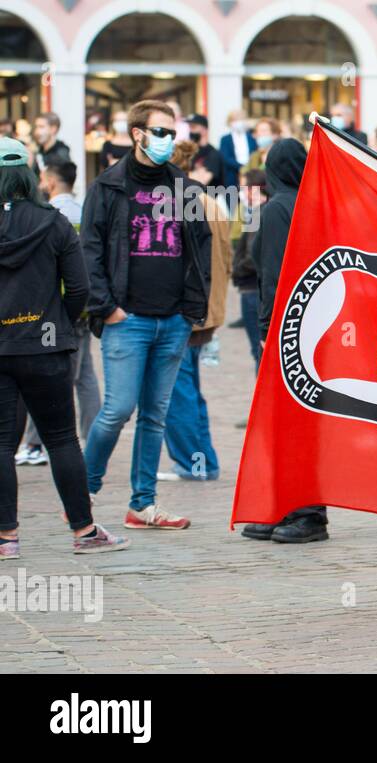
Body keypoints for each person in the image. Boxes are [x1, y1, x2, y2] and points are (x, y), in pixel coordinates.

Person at [79, 100, 212, 530]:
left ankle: (143, 504)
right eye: (160, 133)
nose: (168, 141)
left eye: (172, 133)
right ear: (137, 134)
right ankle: (83, 489)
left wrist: (192, 311)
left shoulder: (185, 187)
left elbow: (202, 249)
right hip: (126, 320)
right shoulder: (107, 187)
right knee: (118, 409)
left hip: (172, 320)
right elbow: (90, 251)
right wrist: (107, 307)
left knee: (155, 416)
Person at [0, 137, 129, 557]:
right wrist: (61, 322)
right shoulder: (53, 222)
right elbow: (79, 289)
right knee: (61, 440)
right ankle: (84, 530)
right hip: (47, 344)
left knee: (2, 443)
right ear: (31, 175)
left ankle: (6, 539)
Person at [241, 138, 332, 543]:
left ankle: (308, 513)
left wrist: (266, 329)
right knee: (295, 423)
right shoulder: (316, 203)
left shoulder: (278, 208)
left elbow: (275, 276)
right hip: (314, 324)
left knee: (289, 423)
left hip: (287, 328)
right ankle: (286, 507)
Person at [13, 159, 98, 467]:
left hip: (54, 312)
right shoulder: (83, 213)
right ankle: (93, 438)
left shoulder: (49, 217)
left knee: (53, 381)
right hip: (82, 310)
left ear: (48, 180)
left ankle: (36, 443)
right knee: (84, 377)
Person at [159, 140, 232, 483]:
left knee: (179, 389)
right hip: (206, 310)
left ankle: (193, 462)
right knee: (188, 387)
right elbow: (226, 261)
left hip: (188, 311)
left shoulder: (182, 202)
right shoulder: (211, 202)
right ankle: (202, 460)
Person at [229, 168, 266, 371]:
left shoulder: (259, 214)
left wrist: (237, 270)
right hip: (253, 287)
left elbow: (252, 255)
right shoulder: (258, 213)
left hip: (251, 288)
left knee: (258, 352)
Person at [184, 115, 225, 194]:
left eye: (193, 127)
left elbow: (201, 181)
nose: (191, 131)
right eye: (189, 127)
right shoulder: (189, 152)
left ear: (204, 130)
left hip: (207, 201)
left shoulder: (213, 153)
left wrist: (186, 175)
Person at [218, 110, 256, 188]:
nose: (238, 122)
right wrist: (242, 167)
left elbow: (255, 153)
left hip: (252, 174)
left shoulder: (252, 137)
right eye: (235, 120)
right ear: (230, 122)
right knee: (232, 199)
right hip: (231, 176)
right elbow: (225, 158)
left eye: (241, 119)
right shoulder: (225, 139)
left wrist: (249, 167)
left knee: (253, 198)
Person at [39, 161, 80, 226]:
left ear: (51, 182)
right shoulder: (83, 211)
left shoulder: (45, 214)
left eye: (41, 180)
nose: (39, 186)